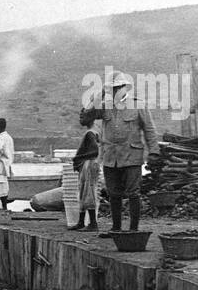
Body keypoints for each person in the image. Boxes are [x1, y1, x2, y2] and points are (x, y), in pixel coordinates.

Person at [97, 70, 159, 236]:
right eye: (112, 89)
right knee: (113, 193)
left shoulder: (138, 104)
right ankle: (116, 228)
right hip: (111, 157)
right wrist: (101, 94)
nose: (116, 91)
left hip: (132, 156)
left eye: (118, 88)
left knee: (133, 193)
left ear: (125, 87)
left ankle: (133, 229)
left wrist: (154, 152)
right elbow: (85, 116)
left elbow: (149, 129)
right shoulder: (104, 106)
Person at [68, 107, 102, 231]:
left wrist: (77, 157)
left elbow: (94, 151)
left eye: (82, 117)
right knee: (83, 192)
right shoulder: (93, 131)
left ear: (90, 118)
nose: (80, 119)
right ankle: (81, 222)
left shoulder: (90, 133)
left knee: (88, 192)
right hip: (89, 164)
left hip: (89, 164)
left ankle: (93, 223)